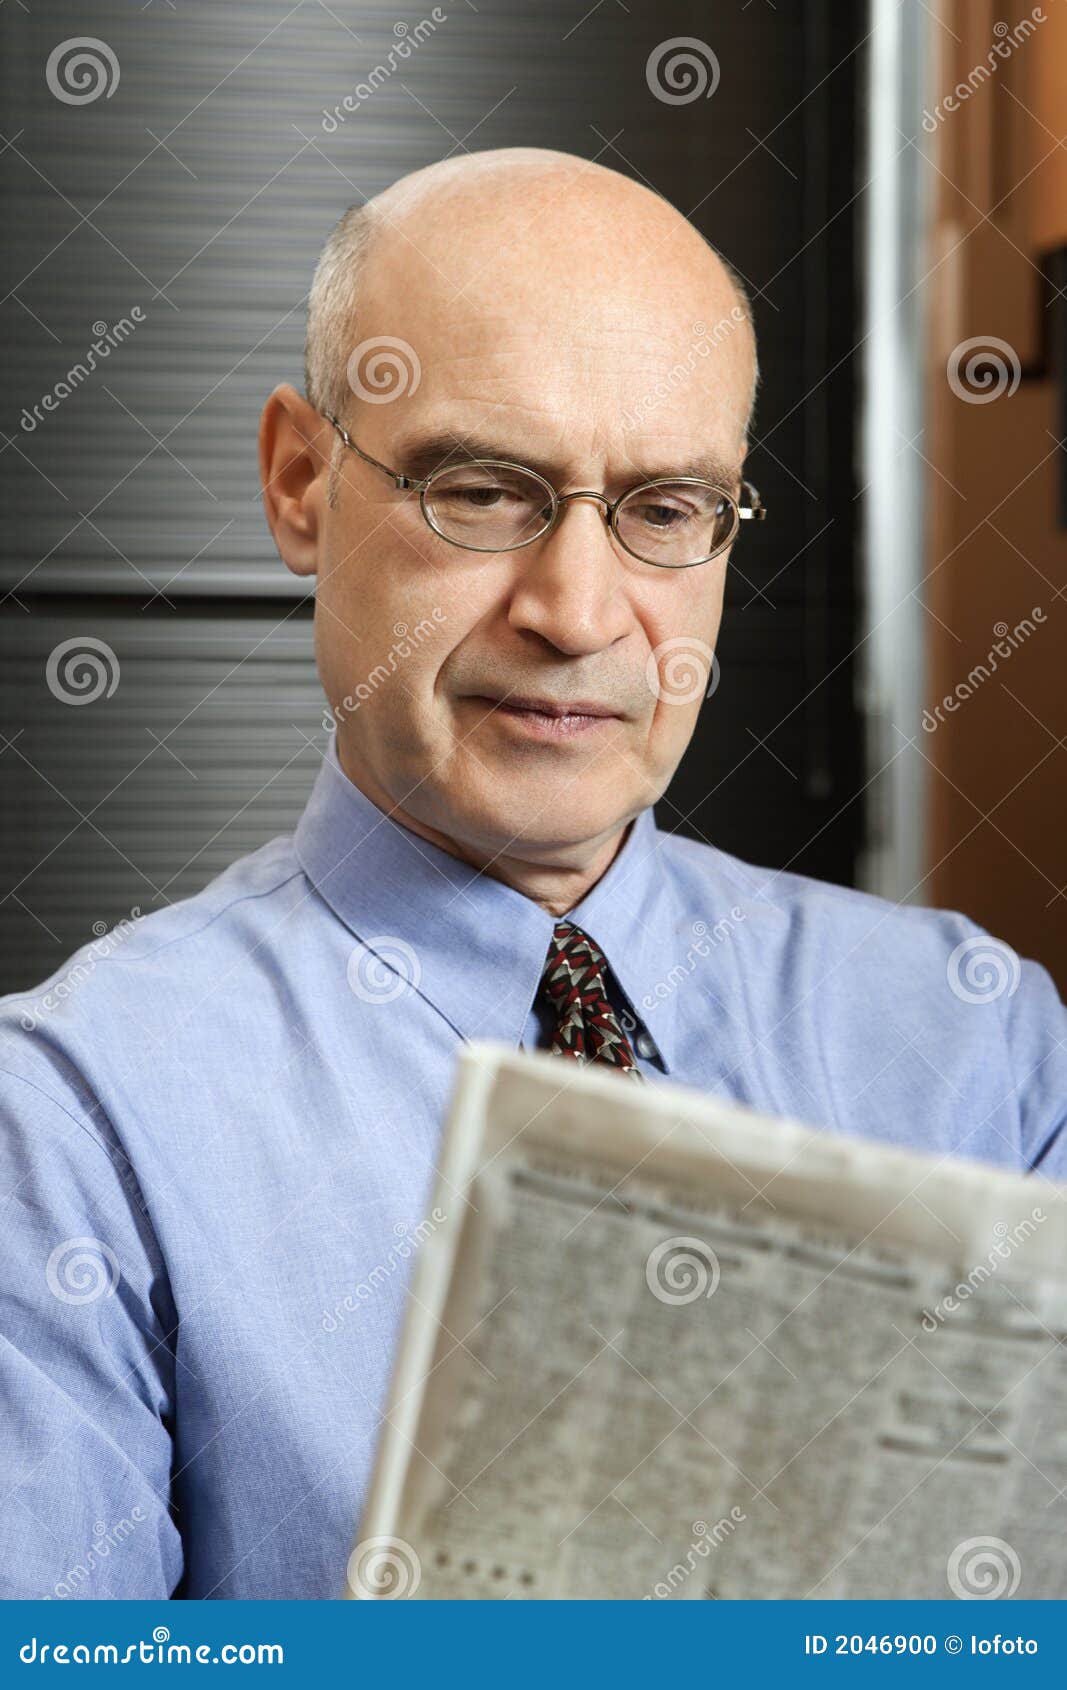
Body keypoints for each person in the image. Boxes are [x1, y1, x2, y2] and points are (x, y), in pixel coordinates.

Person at [1, 148, 1064, 1602]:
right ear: (301, 482)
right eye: (484, 490)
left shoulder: (982, 1043)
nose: (575, 613)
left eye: (666, 507)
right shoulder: (69, 1120)